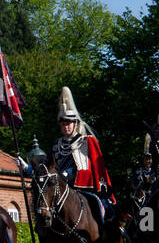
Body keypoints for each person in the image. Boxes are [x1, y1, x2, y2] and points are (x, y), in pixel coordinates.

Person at [17, 87, 115, 228]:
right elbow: (46, 167)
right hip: (58, 188)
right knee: (42, 213)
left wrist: (69, 174)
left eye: (68, 123)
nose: (65, 127)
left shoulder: (86, 141)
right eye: (63, 124)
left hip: (83, 188)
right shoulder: (56, 145)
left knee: (105, 210)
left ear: (75, 124)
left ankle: (112, 240)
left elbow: (94, 168)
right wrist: (27, 168)